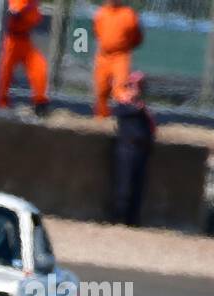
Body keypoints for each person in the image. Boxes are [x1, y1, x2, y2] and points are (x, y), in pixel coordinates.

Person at [111, 72, 156, 226]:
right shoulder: (124, 106)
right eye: (132, 86)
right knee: (124, 187)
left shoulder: (144, 110)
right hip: (127, 150)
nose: (136, 89)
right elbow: (122, 112)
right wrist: (135, 106)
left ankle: (133, 220)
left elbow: (151, 129)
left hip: (141, 152)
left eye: (139, 86)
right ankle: (119, 219)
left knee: (138, 188)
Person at [0, 0, 50, 115]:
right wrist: (19, 12)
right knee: (4, 71)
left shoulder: (32, 2)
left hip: (24, 39)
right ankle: (0, 103)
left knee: (39, 65)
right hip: (10, 39)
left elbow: (34, 17)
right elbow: (13, 12)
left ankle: (40, 103)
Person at [93, 0, 144, 118]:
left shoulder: (128, 14)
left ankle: (125, 119)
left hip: (121, 56)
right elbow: (98, 33)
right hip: (103, 56)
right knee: (101, 88)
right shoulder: (101, 13)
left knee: (120, 89)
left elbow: (137, 37)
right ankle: (101, 116)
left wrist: (123, 46)